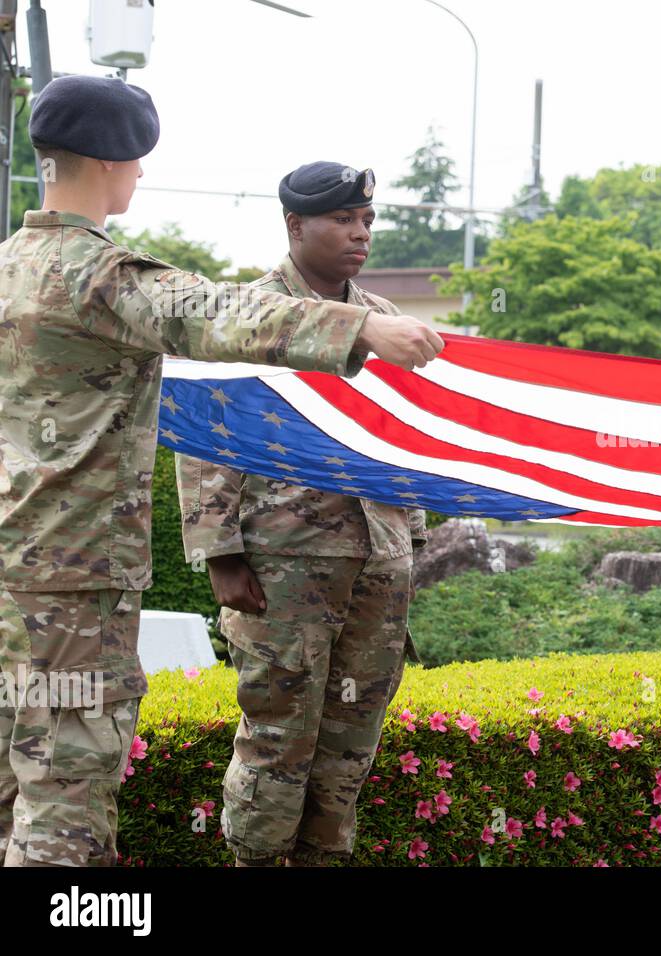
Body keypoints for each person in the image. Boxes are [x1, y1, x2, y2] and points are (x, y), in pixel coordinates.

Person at [0, 76, 443, 867]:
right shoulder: (95, 274)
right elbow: (216, 315)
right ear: (116, 160)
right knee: (63, 810)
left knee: (13, 788)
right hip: (69, 591)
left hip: (15, 579)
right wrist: (361, 328)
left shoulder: (10, 267)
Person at [175, 162, 429, 867]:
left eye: (368, 220)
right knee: (278, 743)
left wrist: (412, 539)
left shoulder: (387, 326)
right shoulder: (247, 314)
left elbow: (403, 435)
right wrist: (220, 551)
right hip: (281, 565)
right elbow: (204, 430)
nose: (360, 234)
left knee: (349, 748)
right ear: (296, 225)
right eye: (344, 220)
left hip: (377, 563)